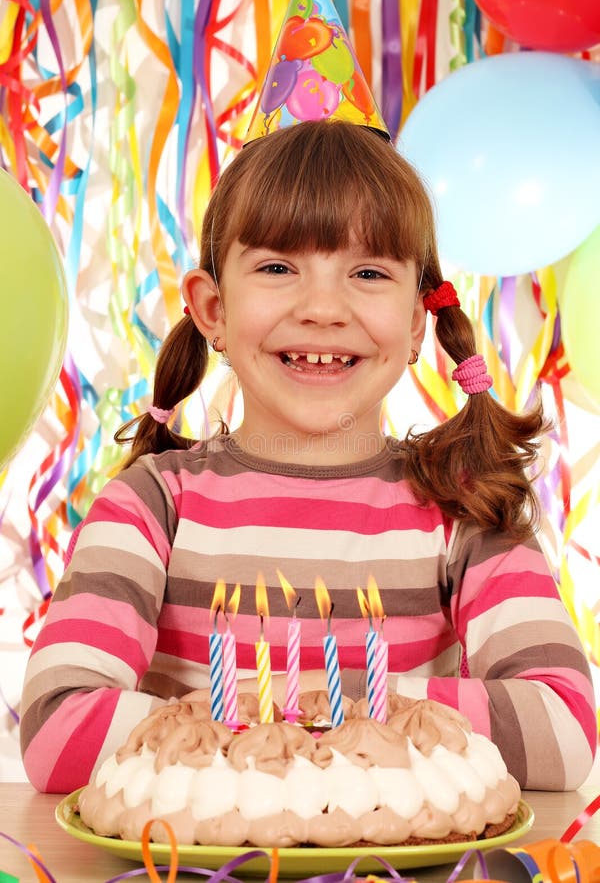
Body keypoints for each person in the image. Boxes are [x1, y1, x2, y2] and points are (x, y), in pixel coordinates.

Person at [20, 119, 596, 795]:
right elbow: (59, 731)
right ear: (213, 309)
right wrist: (361, 719)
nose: (323, 308)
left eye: (368, 272)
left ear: (417, 322)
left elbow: (563, 728)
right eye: (277, 268)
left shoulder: (464, 508)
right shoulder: (151, 507)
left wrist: (280, 712)